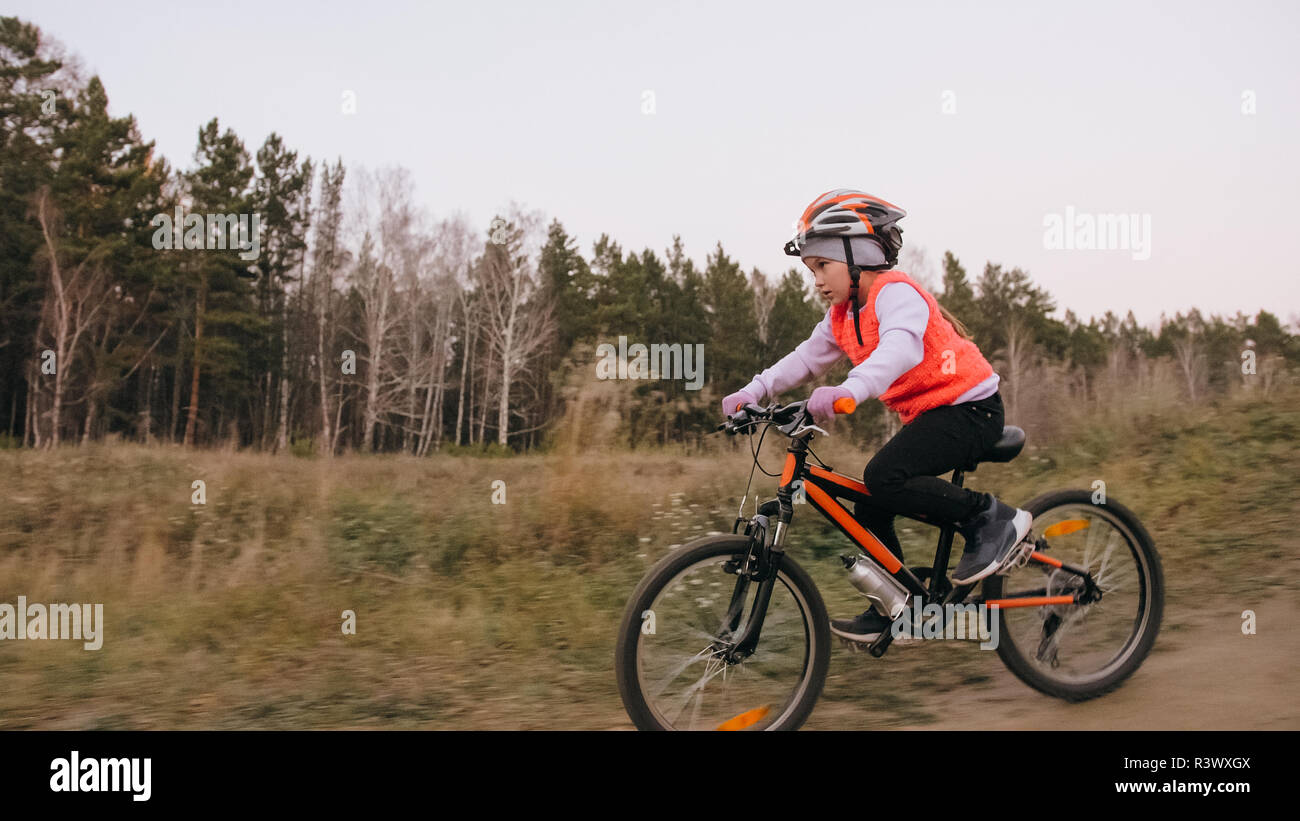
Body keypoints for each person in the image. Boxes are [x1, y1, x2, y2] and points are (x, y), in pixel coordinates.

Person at [721, 189, 1032, 643]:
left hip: (970, 409)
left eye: (822, 266)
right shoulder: (842, 315)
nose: (817, 280)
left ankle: (990, 517)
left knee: (884, 476)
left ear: (857, 255)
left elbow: (901, 348)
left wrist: (850, 390)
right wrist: (755, 389)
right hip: (932, 416)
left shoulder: (896, 293)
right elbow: (805, 359)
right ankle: (900, 607)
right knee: (871, 497)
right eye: (811, 271)